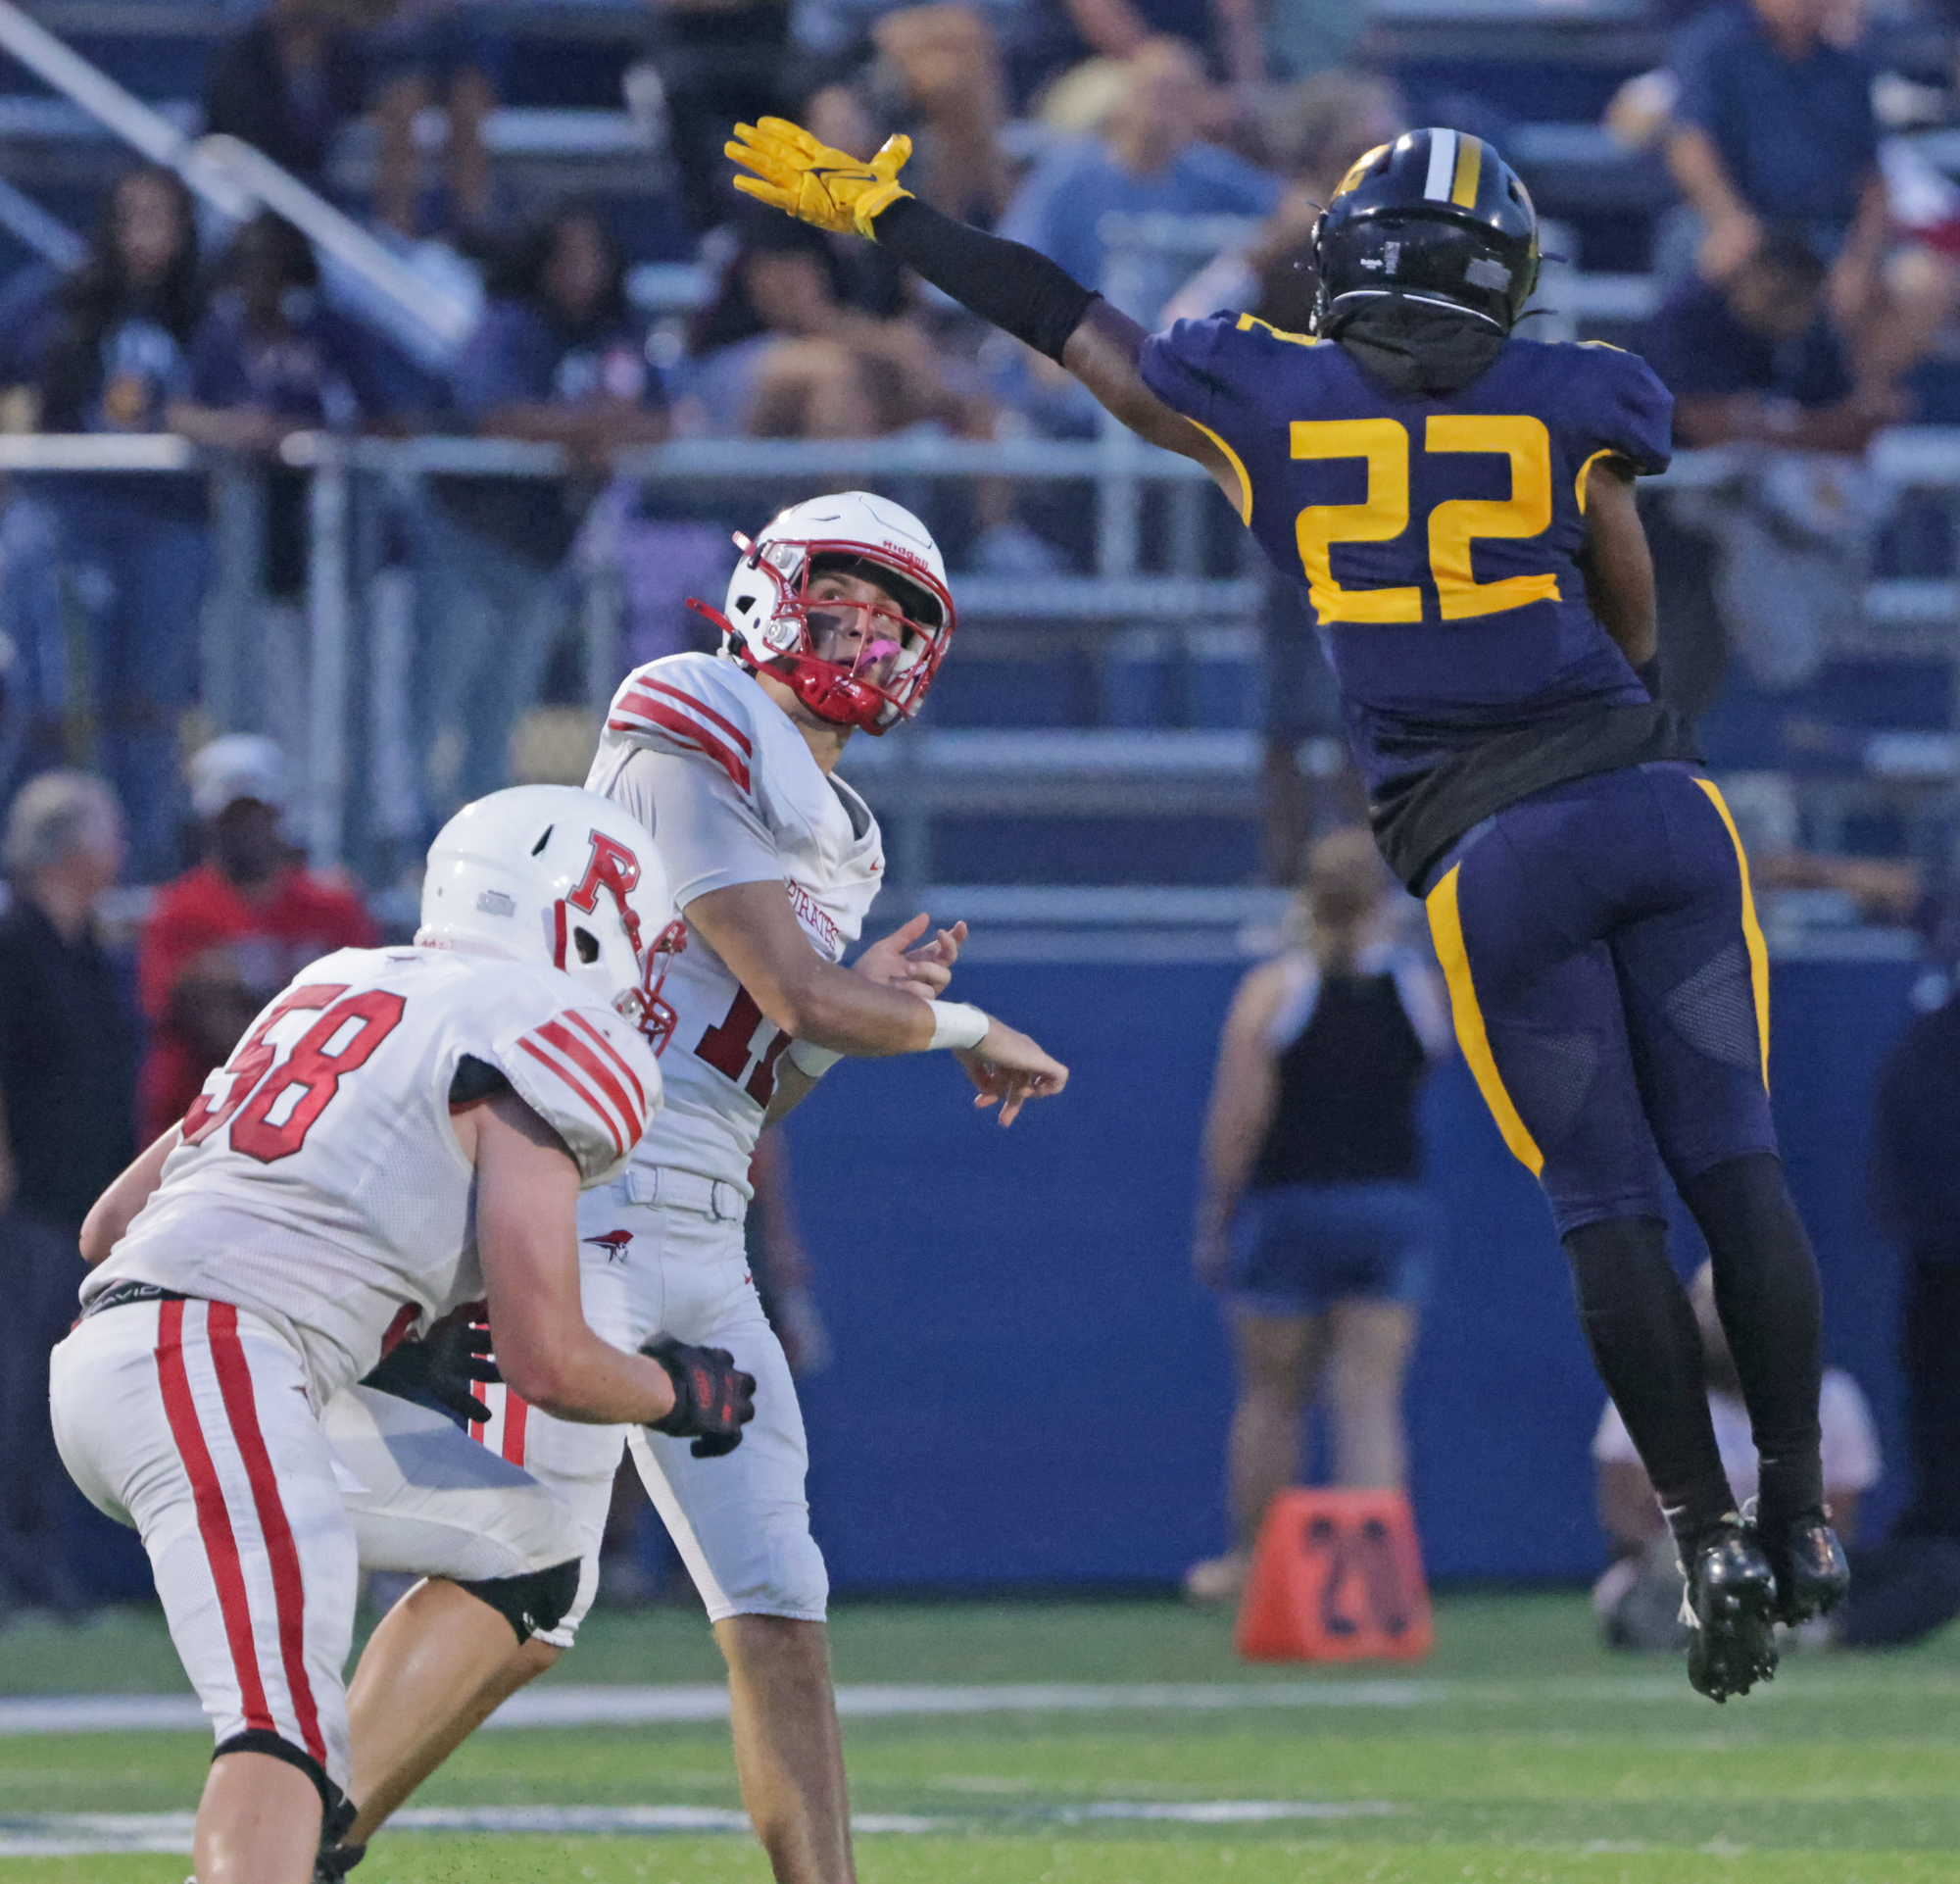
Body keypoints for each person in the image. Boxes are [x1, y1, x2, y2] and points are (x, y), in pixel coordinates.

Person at [727, 117, 1847, 1699]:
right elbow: (1626, 574)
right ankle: (1801, 1513)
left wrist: (893, 215)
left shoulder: (1269, 393)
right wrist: (1633, 701)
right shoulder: (1582, 390)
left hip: (1494, 844)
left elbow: (1060, 316)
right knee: (1739, 1166)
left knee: (1609, 1208)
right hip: (1660, 805)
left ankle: (1705, 1535)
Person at [306, 491, 1070, 1884]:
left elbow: (763, 1068)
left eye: (900, 617)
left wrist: (846, 1011)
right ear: (770, 591)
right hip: (580, 1188)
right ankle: (285, 1845)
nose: (870, 630)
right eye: (844, 595)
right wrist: (948, 1022)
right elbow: (792, 988)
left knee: (777, 1598)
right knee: (524, 1583)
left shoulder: (845, 834)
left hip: (701, 1226)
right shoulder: (690, 710)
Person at [50, 783, 755, 1884]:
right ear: (582, 921)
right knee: (279, 1727)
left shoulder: (331, 982)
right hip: (216, 1359)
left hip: (175, 1358)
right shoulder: (545, 1029)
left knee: (533, 1548)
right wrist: (675, 1391)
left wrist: (375, 1298)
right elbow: (548, 1360)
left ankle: (313, 1844)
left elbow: (107, 1227)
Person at [1186, 827, 1451, 1603]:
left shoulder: (1276, 990)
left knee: (1273, 1395)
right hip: (1388, 1203)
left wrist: (1217, 1213)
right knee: (1368, 1398)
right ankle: (1373, 1585)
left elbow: (1239, 1116)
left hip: (1292, 1204)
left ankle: (1253, 1566)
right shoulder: (1417, 990)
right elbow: (1420, 1072)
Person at [416, 206, 669, 822]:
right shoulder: (511, 326)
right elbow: (491, 413)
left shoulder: (617, 334)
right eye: (567, 258)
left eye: (593, 258)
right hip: (468, 544)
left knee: (501, 715)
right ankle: (402, 840)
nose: (581, 273)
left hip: (541, 557)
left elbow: (663, 415)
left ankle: (481, 840)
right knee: (431, 709)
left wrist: (599, 430)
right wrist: (587, 428)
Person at [0, 167, 207, 882]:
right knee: (51, 702)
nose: (146, 235)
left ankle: (138, 870)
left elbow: (239, 402)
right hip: (66, 514)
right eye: (133, 216)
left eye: (162, 217)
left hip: (164, 525)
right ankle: (37, 866)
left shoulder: (204, 312)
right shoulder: (58, 301)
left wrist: (194, 421)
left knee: (147, 710)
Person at [0, 772, 136, 1615]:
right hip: (30, 1203)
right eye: (107, 832)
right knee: (15, 1384)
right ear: (71, 848)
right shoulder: (13, 940)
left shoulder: (85, 943)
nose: (121, 849)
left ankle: (45, 1561)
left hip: (84, 1203)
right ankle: (14, 1562)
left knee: (54, 1388)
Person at [1592, 1261, 1880, 1650]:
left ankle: (1784, 1625)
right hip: (1681, 1574)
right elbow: (1625, 1519)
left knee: (1929, 1573)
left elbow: (1837, 1526)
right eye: (1710, 1303)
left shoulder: (1831, 1397)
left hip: (1790, 1571)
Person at [137, 736, 378, 1145]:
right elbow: (197, 1018)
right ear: (206, 823)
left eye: (257, 814)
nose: (246, 830)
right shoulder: (178, 914)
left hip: (313, 1128)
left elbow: (367, 1015)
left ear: (278, 814)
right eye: (231, 818)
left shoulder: (333, 909)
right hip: (199, 1133)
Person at [996, 37, 1280, 320]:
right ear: (1123, 99)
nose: (1160, 113)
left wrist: (1239, 265)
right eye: (1153, 93)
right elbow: (1016, 266)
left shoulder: (1206, 170)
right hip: (1076, 333)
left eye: (1178, 99)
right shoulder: (1070, 171)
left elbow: (1292, 211)